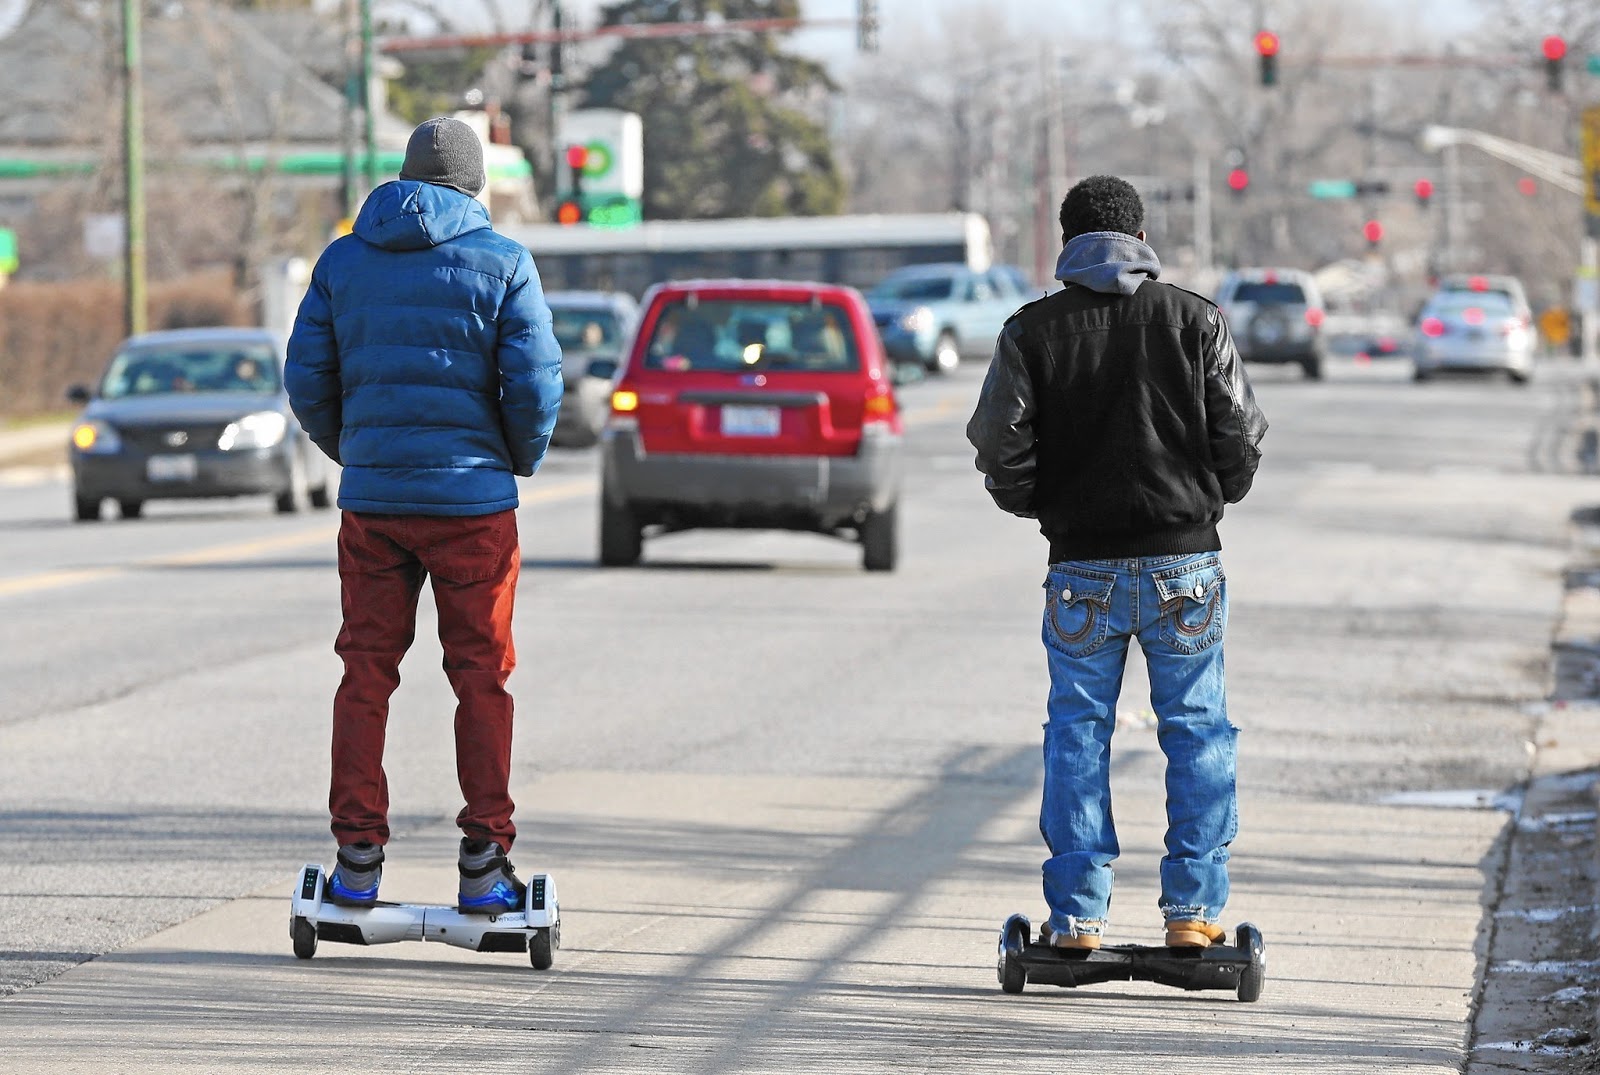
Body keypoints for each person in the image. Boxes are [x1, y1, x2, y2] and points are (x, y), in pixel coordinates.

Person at [966, 175, 1267, 951]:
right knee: (1198, 730)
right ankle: (1194, 914)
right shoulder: (1194, 320)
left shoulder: (1031, 332)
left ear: (1069, 238)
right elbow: (1241, 433)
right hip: (1185, 563)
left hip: (1082, 569)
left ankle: (1076, 918)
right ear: (1138, 235)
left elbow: (1000, 445)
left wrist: (1040, 505)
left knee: (1077, 733)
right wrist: (1209, 499)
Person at [285, 116, 563, 915]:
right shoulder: (504, 262)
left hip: (374, 505)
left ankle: (357, 860)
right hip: (474, 507)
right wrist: (514, 459)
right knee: (481, 676)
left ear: (403, 179)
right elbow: (536, 384)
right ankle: (484, 860)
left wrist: (357, 449)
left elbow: (306, 376)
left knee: (365, 671)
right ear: (473, 186)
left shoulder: (343, 260)